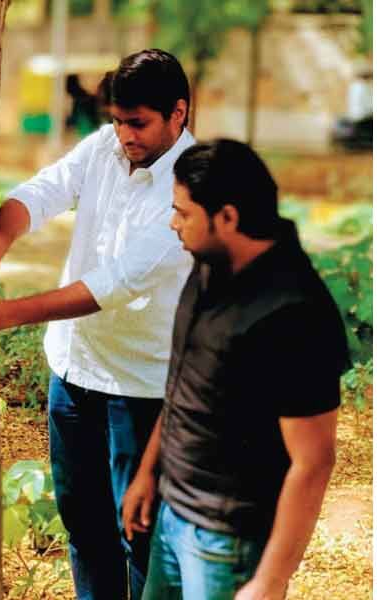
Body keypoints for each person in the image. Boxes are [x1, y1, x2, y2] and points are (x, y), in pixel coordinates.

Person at [0, 49, 195, 600]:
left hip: (141, 388)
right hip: (73, 371)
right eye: (116, 121)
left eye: (138, 123)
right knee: (83, 527)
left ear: (177, 114)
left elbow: (115, 283)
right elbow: (43, 190)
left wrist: (6, 315)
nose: (125, 135)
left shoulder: (190, 185)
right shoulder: (106, 148)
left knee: (143, 534)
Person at [122, 140, 349, 600]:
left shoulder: (294, 313)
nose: (173, 223)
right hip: (171, 512)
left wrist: (269, 580)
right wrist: (149, 473)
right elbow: (185, 384)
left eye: (183, 213)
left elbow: (314, 462)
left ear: (226, 217)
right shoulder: (210, 264)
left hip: (229, 543)